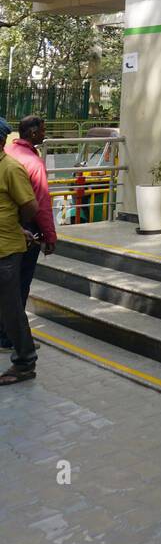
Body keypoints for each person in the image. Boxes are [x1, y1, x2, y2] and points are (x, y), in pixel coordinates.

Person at [0, 114, 56, 350]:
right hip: (20, 233)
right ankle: (10, 340)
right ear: (32, 133)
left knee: (10, 292)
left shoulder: (11, 158)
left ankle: (13, 342)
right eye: (43, 130)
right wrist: (49, 236)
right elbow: (39, 204)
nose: (45, 134)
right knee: (17, 290)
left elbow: (32, 204)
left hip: (12, 234)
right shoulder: (31, 163)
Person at [0, 116, 39, 385]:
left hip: (6, 251)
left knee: (10, 308)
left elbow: (31, 206)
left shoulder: (11, 169)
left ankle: (25, 361)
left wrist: (17, 226)